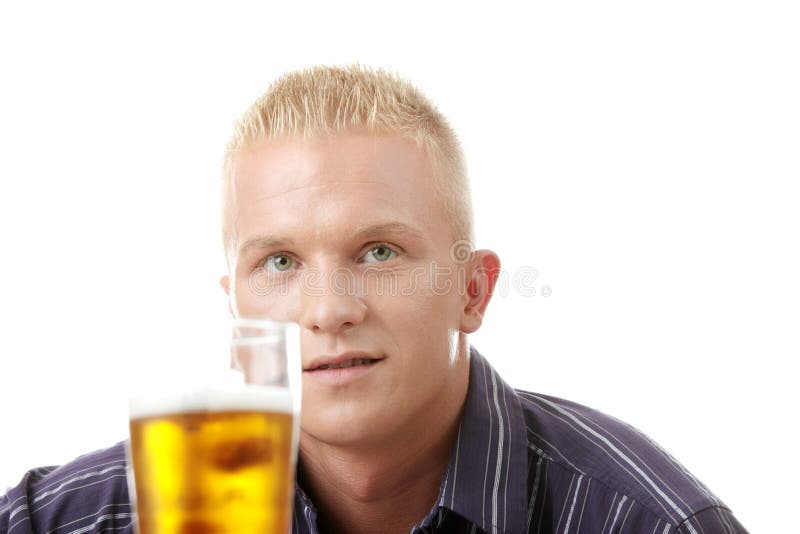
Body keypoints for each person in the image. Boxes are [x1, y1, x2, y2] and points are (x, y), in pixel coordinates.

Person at [0, 65, 747, 534]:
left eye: (379, 251)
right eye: (281, 261)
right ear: (238, 317)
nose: (328, 309)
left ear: (472, 289)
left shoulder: (651, 522)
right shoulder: (96, 515)